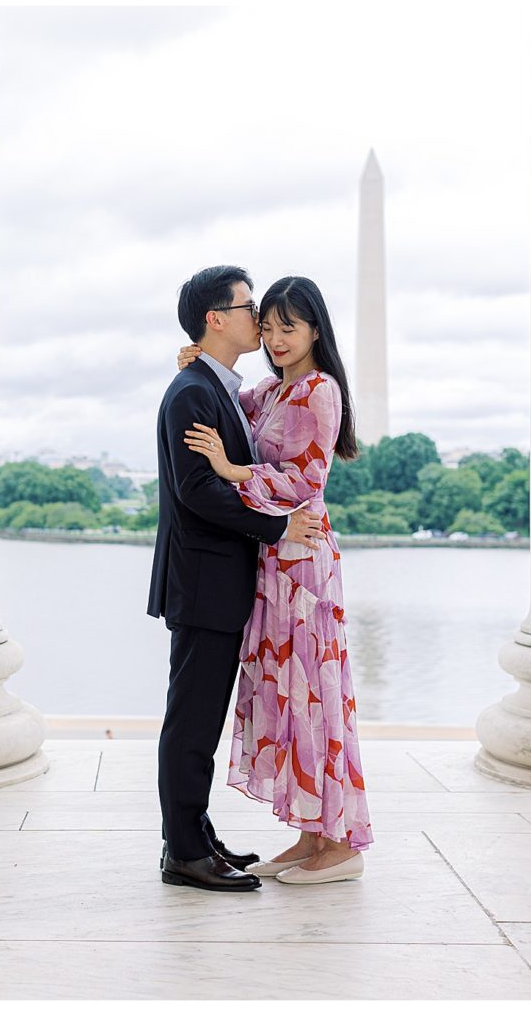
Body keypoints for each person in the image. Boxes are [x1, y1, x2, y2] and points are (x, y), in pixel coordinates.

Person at [176, 274, 374, 884]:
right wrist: (197, 360)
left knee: (316, 691)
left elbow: (306, 483)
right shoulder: (270, 392)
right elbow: (225, 403)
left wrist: (233, 470)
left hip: (304, 560)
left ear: (316, 328)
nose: (276, 338)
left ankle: (341, 843)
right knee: (289, 695)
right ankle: (311, 832)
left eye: (289, 326)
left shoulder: (321, 391)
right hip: (272, 561)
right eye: (267, 326)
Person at [148, 265, 326, 893]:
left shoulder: (214, 385)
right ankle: (185, 853)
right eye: (250, 308)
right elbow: (198, 493)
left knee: (199, 719)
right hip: (204, 583)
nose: (261, 320)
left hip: (216, 582)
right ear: (215, 319)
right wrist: (277, 530)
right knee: (192, 723)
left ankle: (196, 838)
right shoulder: (195, 392)